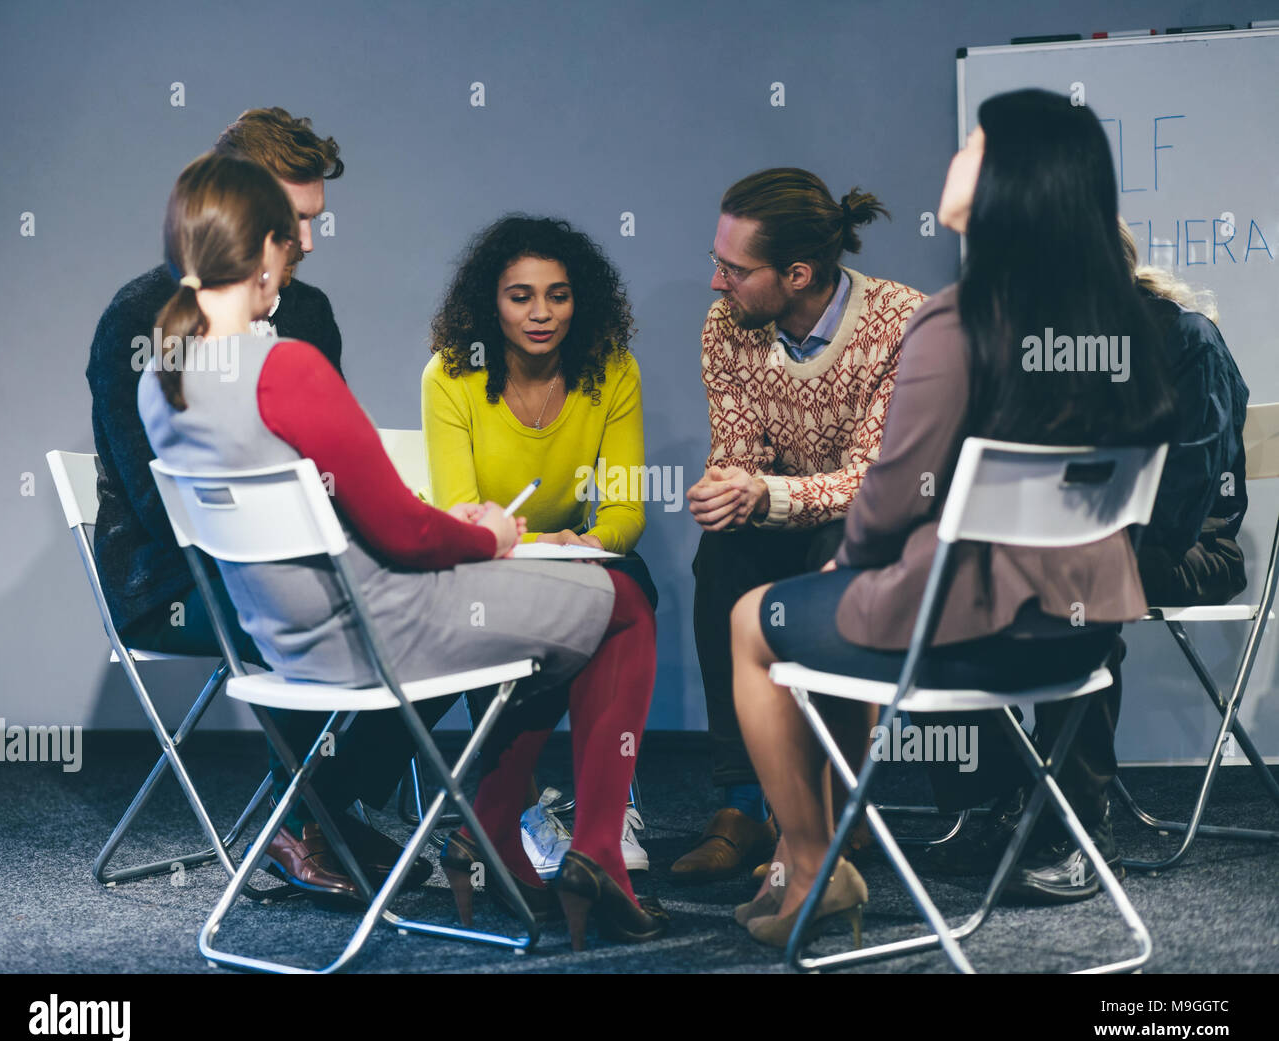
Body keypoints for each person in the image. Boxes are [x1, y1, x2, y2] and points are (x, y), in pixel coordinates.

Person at [137, 152, 667, 950]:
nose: (309, 243)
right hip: (378, 631)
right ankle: (588, 849)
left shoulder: (162, 377)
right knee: (622, 606)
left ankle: (489, 830)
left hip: (284, 647)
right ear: (266, 249)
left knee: (574, 618)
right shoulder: (287, 367)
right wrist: (490, 535)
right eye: (298, 231)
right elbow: (406, 532)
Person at [728, 88, 1177, 947]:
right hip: (1083, 639)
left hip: (972, 627)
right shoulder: (1124, 318)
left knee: (759, 620)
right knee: (821, 619)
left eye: (972, 144)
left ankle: (817, 862)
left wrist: (845, 566)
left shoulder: (959, 317)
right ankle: (810, 856)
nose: (954, 155)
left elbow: (891, 499)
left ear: (1015, 178)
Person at [87, 107, 413, 902]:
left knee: (423, 611)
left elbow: (323, 467)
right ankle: (308, 822)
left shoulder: (309, 314)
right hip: (171, 583)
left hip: (286, 557)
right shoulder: (138, 320)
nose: (304, 243)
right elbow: (159, 502)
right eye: (293, 222)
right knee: (312, 611)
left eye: (314, 222)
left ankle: (316, 807)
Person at [942, 220, 1251, 902]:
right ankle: (1005, 794)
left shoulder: (1182, 338)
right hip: (1058, 544)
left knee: (1075, 572)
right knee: (929, 583)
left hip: (1191, 547)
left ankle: (1075, 825)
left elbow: (1180, 502)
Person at [674, 168, 925, 884]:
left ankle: (823, 817)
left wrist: (763, 492)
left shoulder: (900, 323)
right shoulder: (729, 325)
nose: (718, 282)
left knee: (834, 554)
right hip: (777, 504)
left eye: (734, 268)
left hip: (873, 523)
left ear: (798, 273)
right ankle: (742, 802)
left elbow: (874, 479)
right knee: (719, 555)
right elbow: (738, 449)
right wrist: (727, 488)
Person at [422, 215, 654, 877]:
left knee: (628, 588)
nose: (541, 312)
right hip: (483, 561)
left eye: (558, 294)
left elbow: (626, 511)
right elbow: (457, 515)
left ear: (581, 301)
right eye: (519, 295)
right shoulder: (450, 374)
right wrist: (525, 546)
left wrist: (579, 542)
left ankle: (582, 818)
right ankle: (533, 817)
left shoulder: (611, 367)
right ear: (490, 304)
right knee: (543, 616)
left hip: (575, 553)